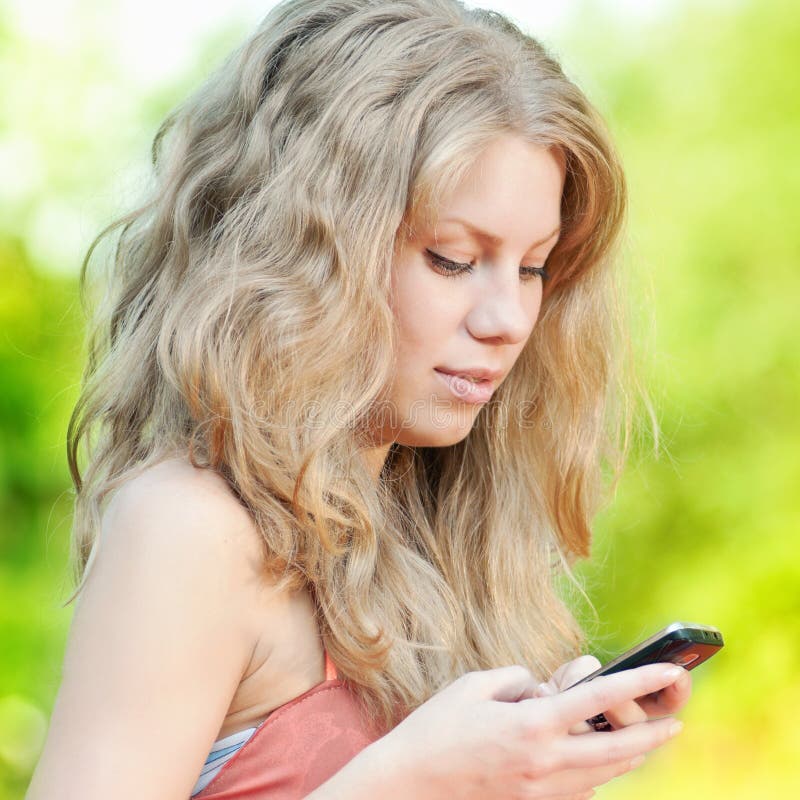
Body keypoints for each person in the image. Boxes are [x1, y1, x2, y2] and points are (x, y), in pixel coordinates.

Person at [26, 1, 693, 798]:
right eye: (452, 259)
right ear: (305, 251)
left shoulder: (438, 543)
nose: (509, 320)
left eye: (532, 268)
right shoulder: (191, 526)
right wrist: (411, 780)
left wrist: (527, 767)